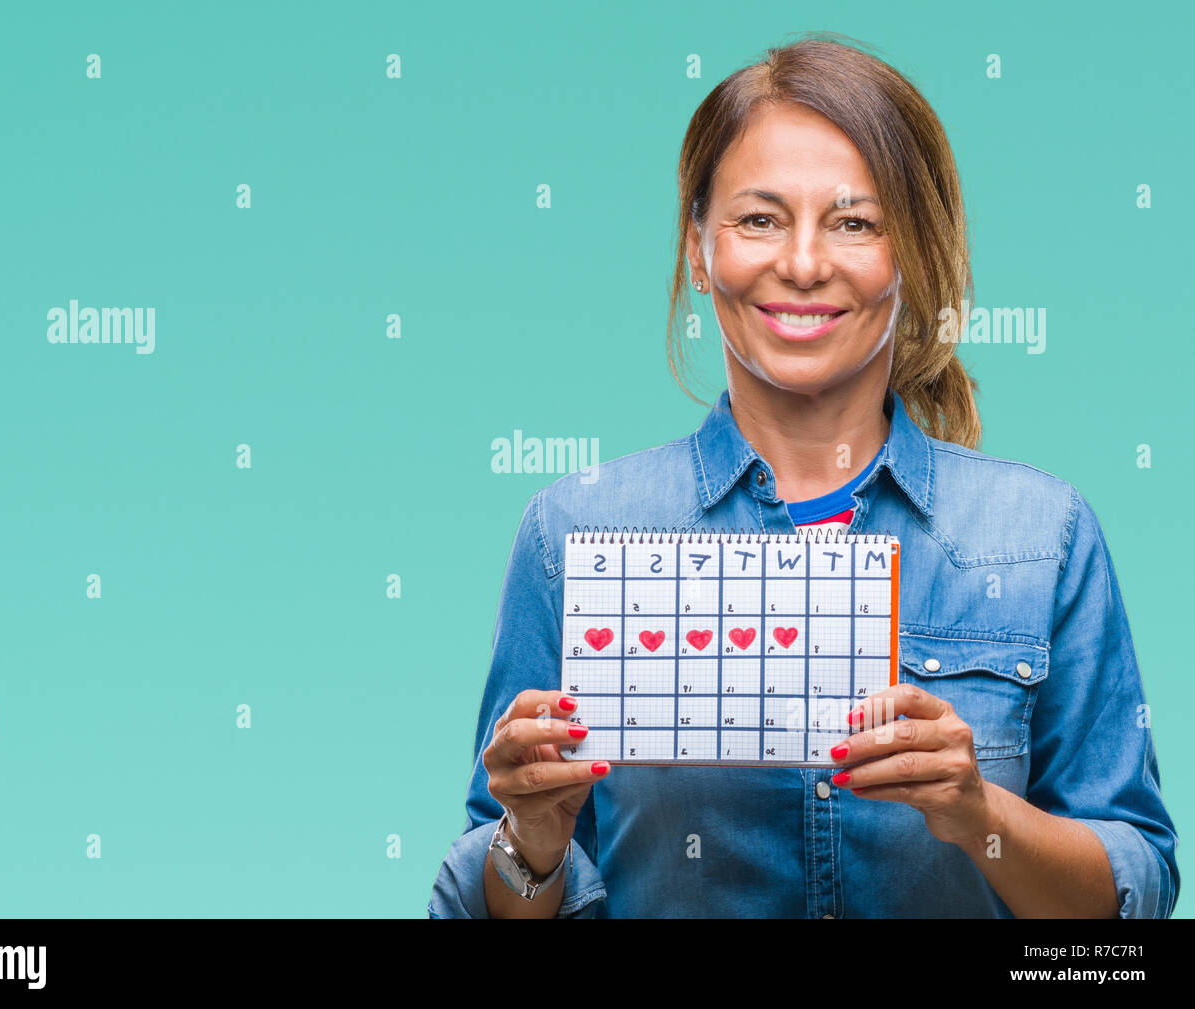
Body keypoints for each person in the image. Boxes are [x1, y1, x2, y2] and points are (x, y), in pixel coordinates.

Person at [427, 33, 1179, 918]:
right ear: (700, 250)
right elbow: (493, 898)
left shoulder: (1041, 535)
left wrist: (978, 814)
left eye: (854, 221)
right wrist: (532, 842)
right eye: (760, 218)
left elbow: (1132, 901)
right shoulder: (569, 534)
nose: (805, 262)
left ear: (913, 256)